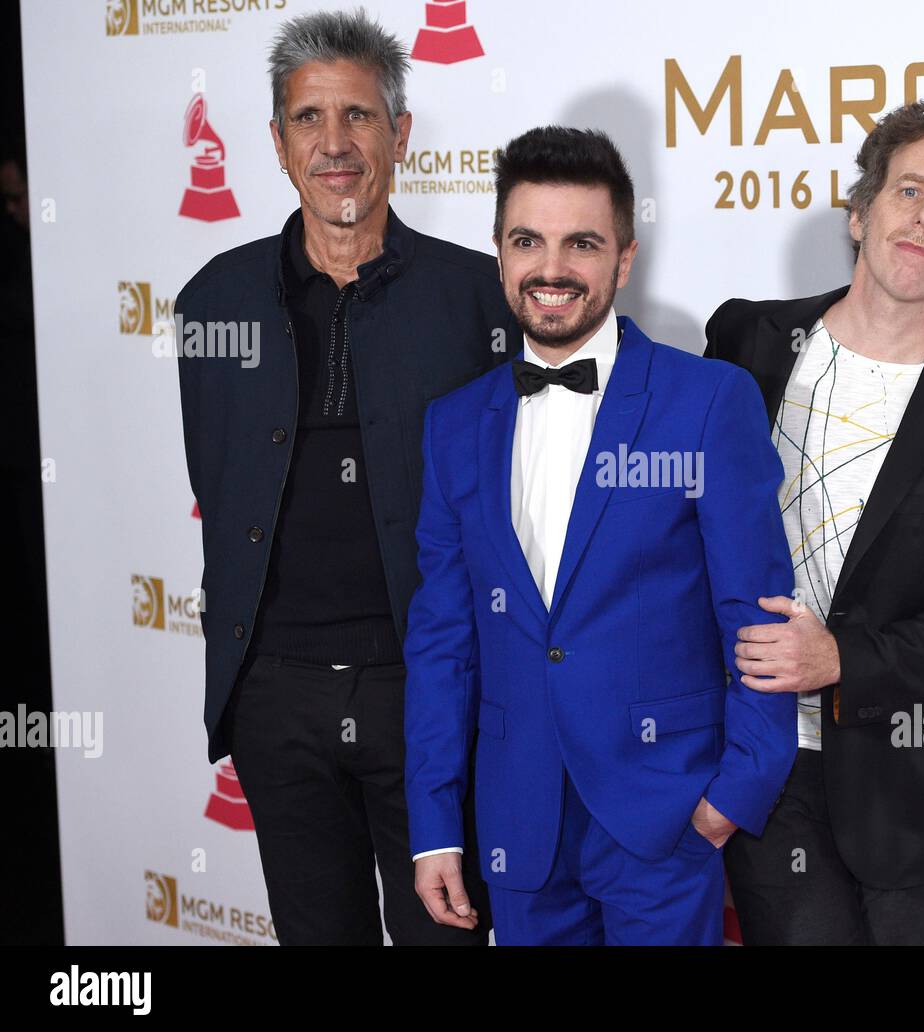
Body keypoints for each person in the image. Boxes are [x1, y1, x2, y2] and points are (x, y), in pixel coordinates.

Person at [405, 126, 796, 945]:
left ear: (624, 259)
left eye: (581, 243)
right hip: (518, 822)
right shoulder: (453, 424)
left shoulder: (708, 401)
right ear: (500, 254)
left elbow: (758, 617)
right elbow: (442, 640)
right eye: (527, 241)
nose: (551, 269)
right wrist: (435, 824)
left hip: (666, 819)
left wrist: (729, 799)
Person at [174, 9, 516, 945]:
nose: (335, 143)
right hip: (275, 697)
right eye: (310, 118)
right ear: (278, 141)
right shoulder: (213, 301)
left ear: (399, 135)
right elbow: (220, 481)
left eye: (359, 116)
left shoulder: (477, 296)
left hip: (429, 692)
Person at [705, 100, 924, 945]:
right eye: (910, 191)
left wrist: (841, 659)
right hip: (759, 758)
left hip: (906, 790)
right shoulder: (749, 341)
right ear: (861, 212)